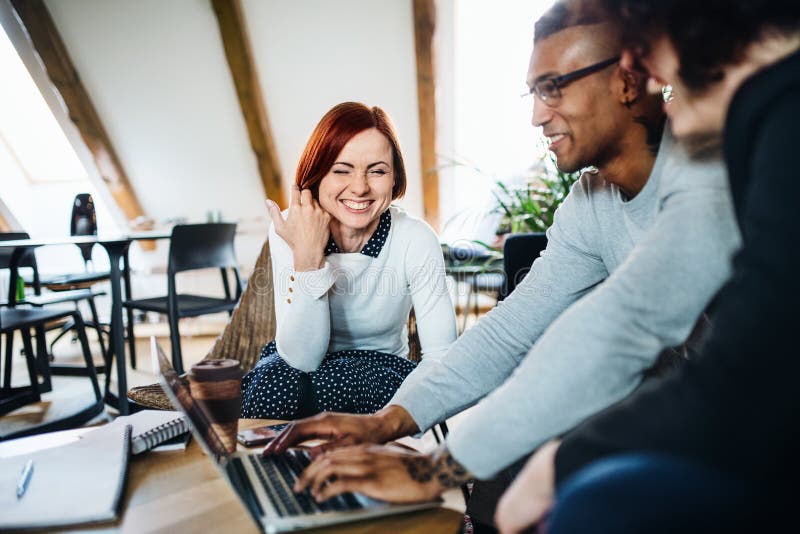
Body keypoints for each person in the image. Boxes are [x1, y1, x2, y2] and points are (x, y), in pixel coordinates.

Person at [263, 1, 741, 525]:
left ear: (628, 78)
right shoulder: (590, 203)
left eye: (553, 87)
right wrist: (387, 422)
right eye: (532, 92)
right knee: (498, 481)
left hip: (742, 431)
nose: (537, 115)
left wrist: (435, 469)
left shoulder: (712, 174)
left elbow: (615, 337)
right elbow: (509, 332)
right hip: (675, 413)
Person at [494, 1, 800, 532]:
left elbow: (747, 370)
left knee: (596, 504)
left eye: (648, 50)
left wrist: (557, 465)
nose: (649, 81)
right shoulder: (768, 117)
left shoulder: (783, 117)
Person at [241, 102, 458, 419]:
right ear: (317, 174)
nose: (359, 187)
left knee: (336, 381)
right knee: (271, 382)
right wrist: (309, 259)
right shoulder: (290, 227)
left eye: (377, 171)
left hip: (382, 368)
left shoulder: (416, 237)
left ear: (395, 178)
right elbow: (301, 359)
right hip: (301, 364)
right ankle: (280, 451)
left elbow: (441, 356)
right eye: (341, 170)